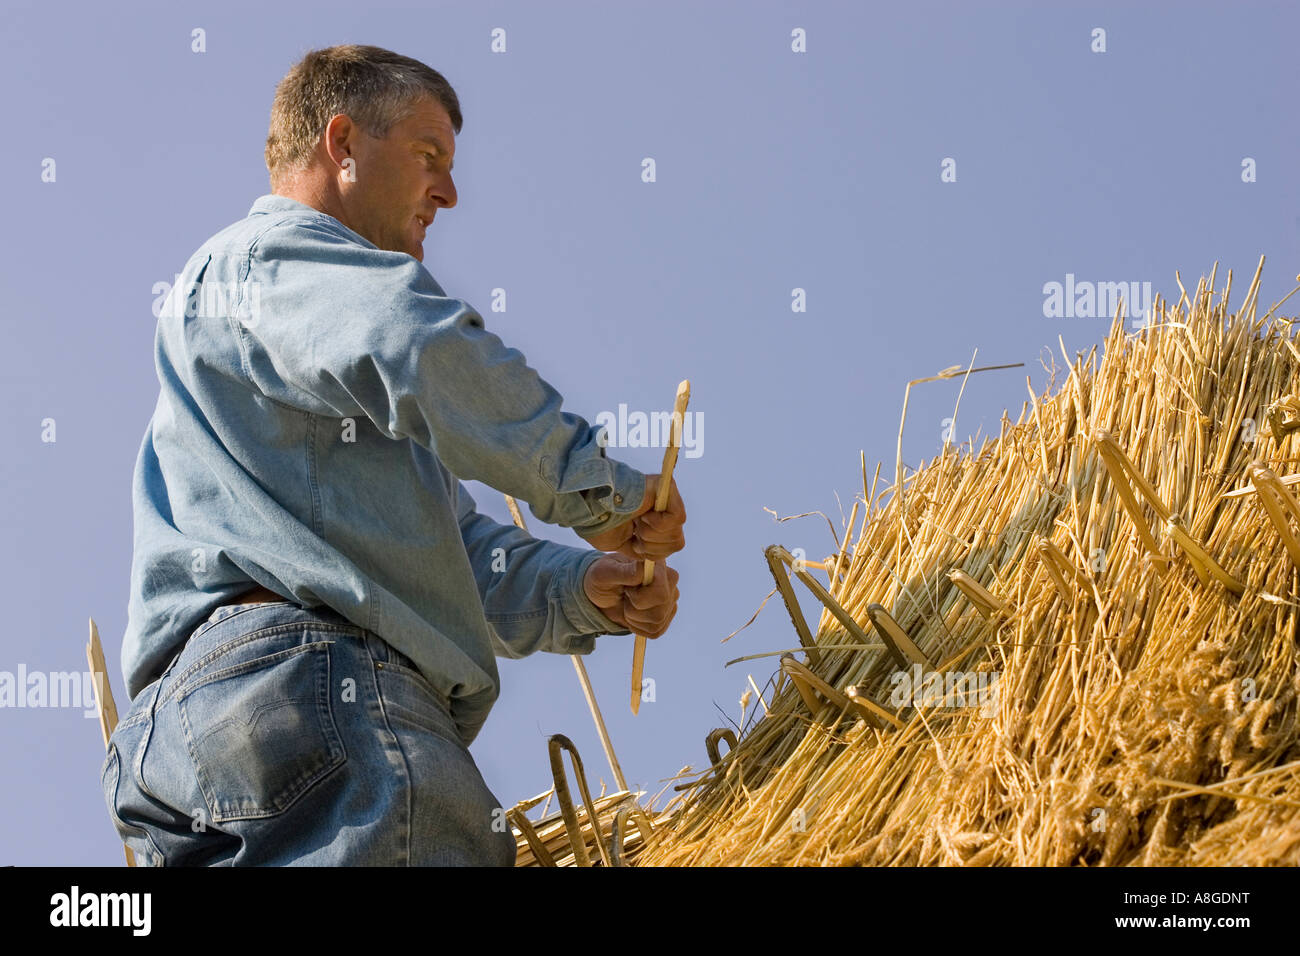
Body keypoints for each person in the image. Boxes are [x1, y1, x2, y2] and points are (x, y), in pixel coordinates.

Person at [101, 44, 685, 866]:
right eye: (428, 157)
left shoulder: (309, 379)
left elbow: (452, 558)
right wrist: (598, 488)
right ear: (341, 144)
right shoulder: (265, 261)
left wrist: (584, 589)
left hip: (199, 743)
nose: (448, 192)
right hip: (311, 687)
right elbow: (413, 341)